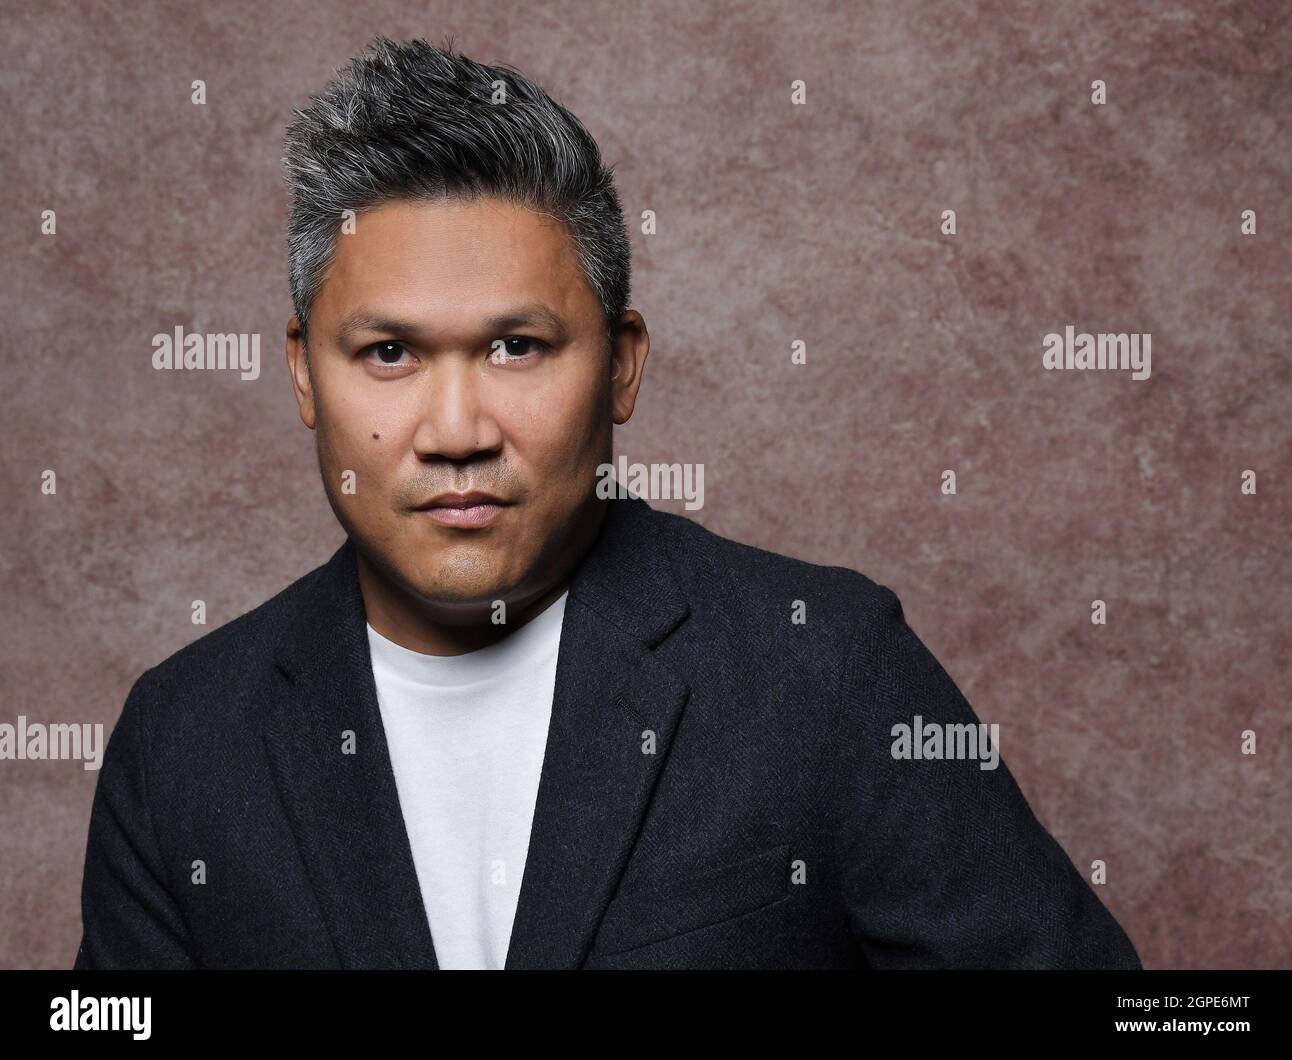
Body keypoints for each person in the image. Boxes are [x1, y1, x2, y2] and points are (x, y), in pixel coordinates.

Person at [74, 36, 1141, 970]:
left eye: (517, 346)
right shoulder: (183, 743)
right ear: (306, 375)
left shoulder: (822, 667)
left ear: (621, 367)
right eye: (388, 352)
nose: (455, 431)